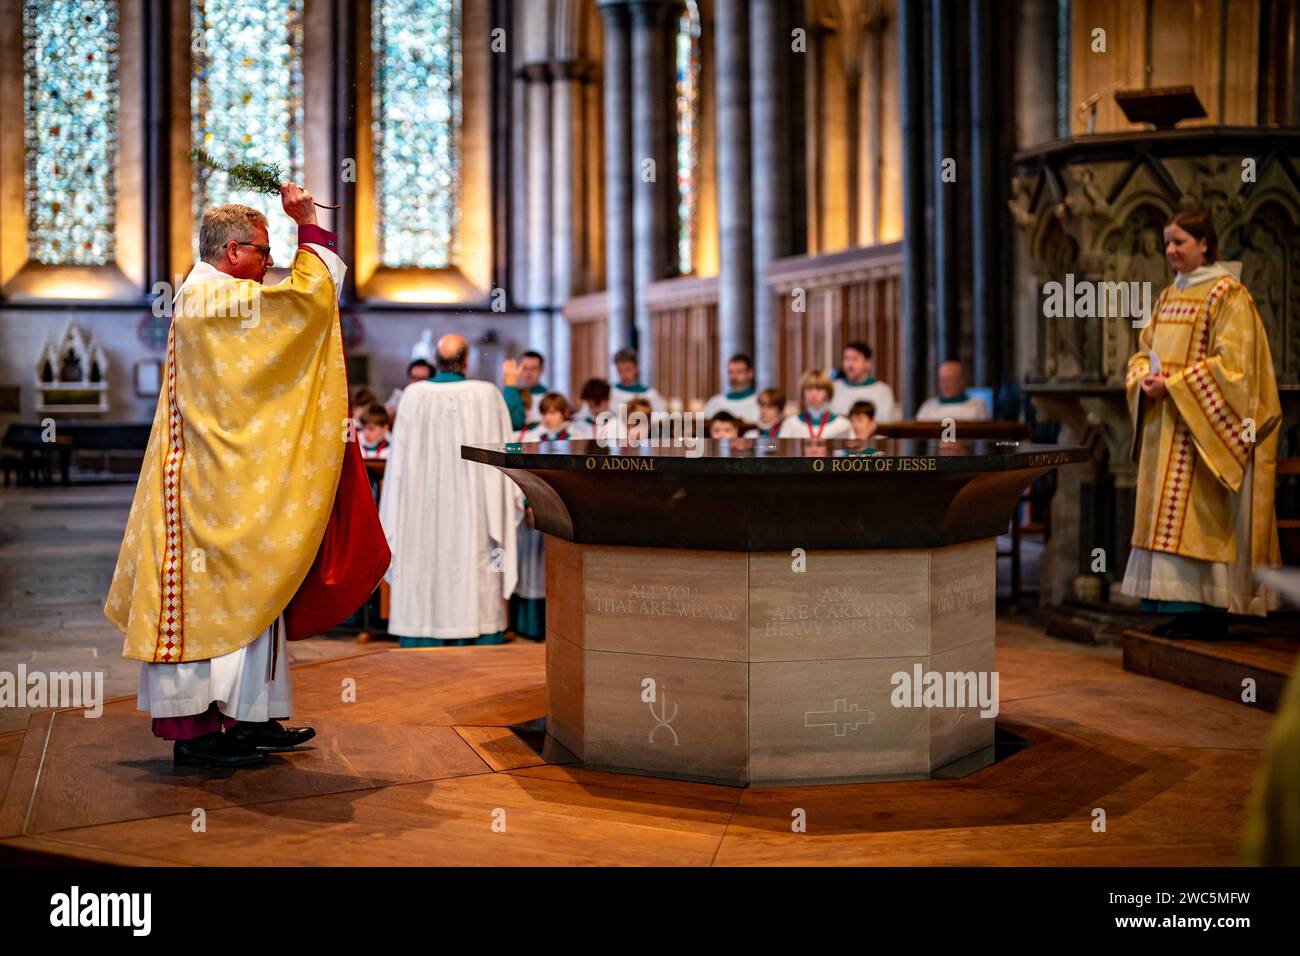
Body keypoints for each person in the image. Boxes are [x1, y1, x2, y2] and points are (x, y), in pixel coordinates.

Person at [104, 187, 385, 768]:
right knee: (214, 603)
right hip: (205, 490)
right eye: (264, 251)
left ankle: (245, 718)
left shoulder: (219, 296)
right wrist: (310, 225)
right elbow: (303, 308)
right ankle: (199, 732)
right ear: (233, 252)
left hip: (230, 480)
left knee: (257, 594)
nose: (270, 262)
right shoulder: (212, 299)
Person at [1120, 209, 1282, 638]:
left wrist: (1174, 385)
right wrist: (1142, 378)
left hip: (1202, 435)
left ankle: (1207, 613)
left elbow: (1236, 370)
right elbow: (1143, 350)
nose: (1171, 250)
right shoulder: (1168, 297)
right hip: (1165, 430)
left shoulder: (1227, 295)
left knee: (1200, 519)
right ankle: (1179, 610)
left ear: (1205, 244)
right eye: (1167, 242)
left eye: (1180, 241)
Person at [379, 334, 524, 647]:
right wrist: (510, 386)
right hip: (474, 516)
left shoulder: (412, 396)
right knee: (478, 574)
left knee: (423, 568)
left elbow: (398, 468)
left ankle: (422, 639)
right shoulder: (487, 395)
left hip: (422, 515)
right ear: (468, 360)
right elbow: (510, 439)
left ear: (435, 360)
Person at [830, 342, 895, 422]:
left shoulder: (882, 391)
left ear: (868, 363)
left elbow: (885, 423)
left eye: (855, 359)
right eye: (846, 358)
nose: (850, 364)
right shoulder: (833, 388)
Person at [778, 370, 852, 438]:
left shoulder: (842, 424)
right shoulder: (791, 423)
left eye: (819, 389)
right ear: (803, 393)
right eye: (809, 389)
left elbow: (851, 451)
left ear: (828, 393)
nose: (813, 393)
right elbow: (780, 449)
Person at [914, 361, 988, 421]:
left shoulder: (977, 406)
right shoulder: (928, 407)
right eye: (942, 380)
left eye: (949, 380)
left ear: (961, 381)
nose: (945, 385)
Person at [701, 353, 760, 423]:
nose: (733, 376)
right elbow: (699, 430)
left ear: (750, 374)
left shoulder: (759, 402)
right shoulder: (715, 402)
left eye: (739, 372)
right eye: (730, 372)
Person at [609, 347, 666, 413]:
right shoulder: (611, 392)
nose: (624, 374)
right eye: (620, 370)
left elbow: (661, 419)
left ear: (636, 368)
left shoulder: (650, 394)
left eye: (628, 369)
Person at [503, 350, 548, 431]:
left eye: (533, 369)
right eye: (525, 368)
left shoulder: (550, 396)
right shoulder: (512, 395)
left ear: (541, 370)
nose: (529, 373)